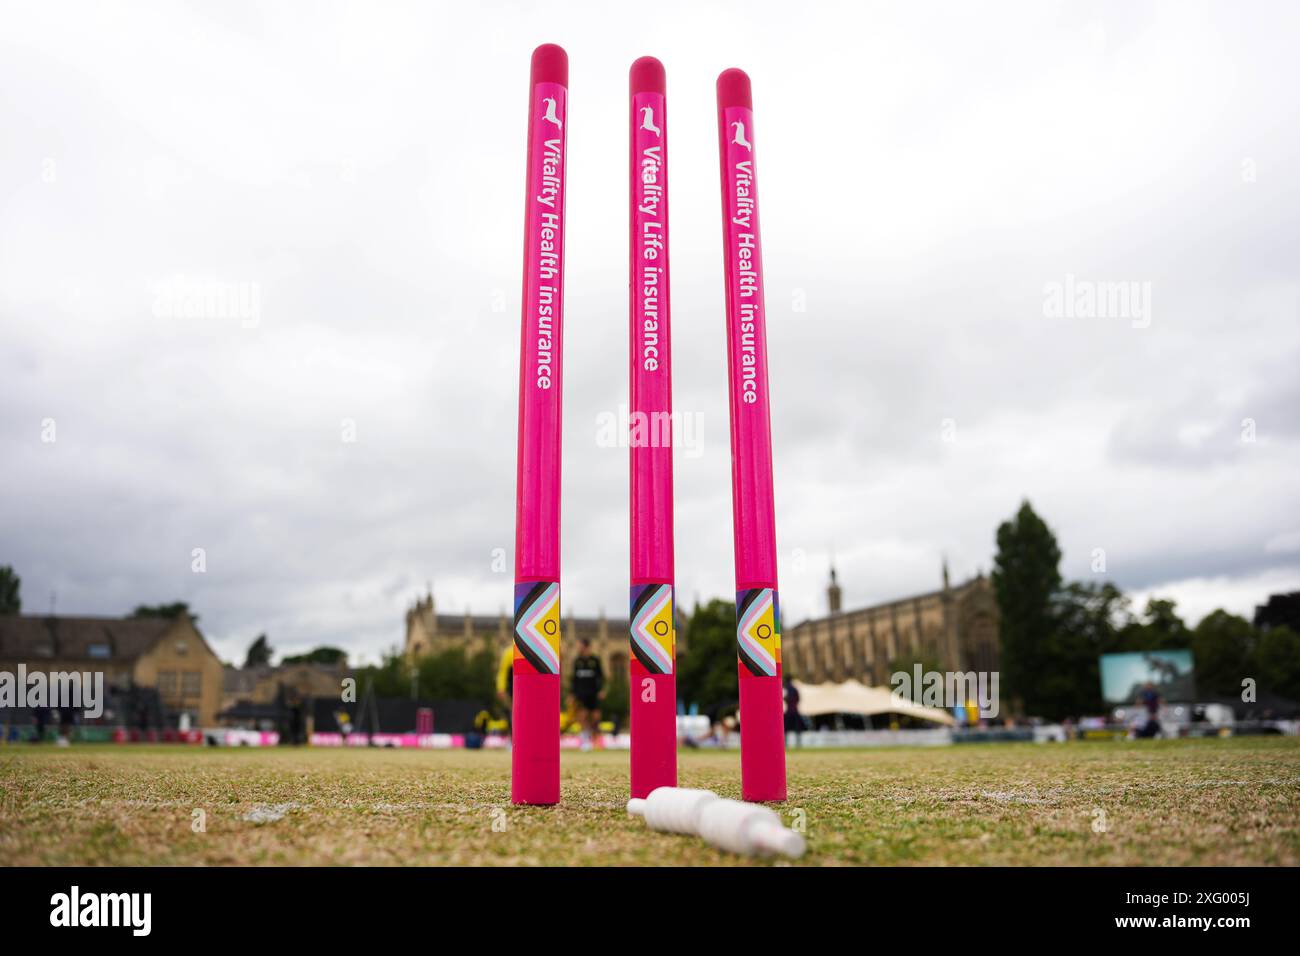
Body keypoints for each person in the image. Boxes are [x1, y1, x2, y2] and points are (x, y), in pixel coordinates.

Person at [571, 638, 604, 751]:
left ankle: (596, 738)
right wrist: (572, 694)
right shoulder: (577, 661)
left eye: (580, 645)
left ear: (586, 646)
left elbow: (601, 676)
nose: (578, 647)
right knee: (583, 716)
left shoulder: (595, 660)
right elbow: (574, 679)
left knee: (595, 717)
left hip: (593, 692)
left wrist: (601, 690)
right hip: (581, 693)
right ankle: (585, 740)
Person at [782, 675, 804, 747]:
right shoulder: (794, 688)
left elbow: (788, 698)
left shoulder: (787, 688)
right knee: (797, 728)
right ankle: (798, 744)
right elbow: (798, 699)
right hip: (795, 710)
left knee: (785, 728)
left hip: (789, 711)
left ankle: (785, 744)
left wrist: (786, 699)